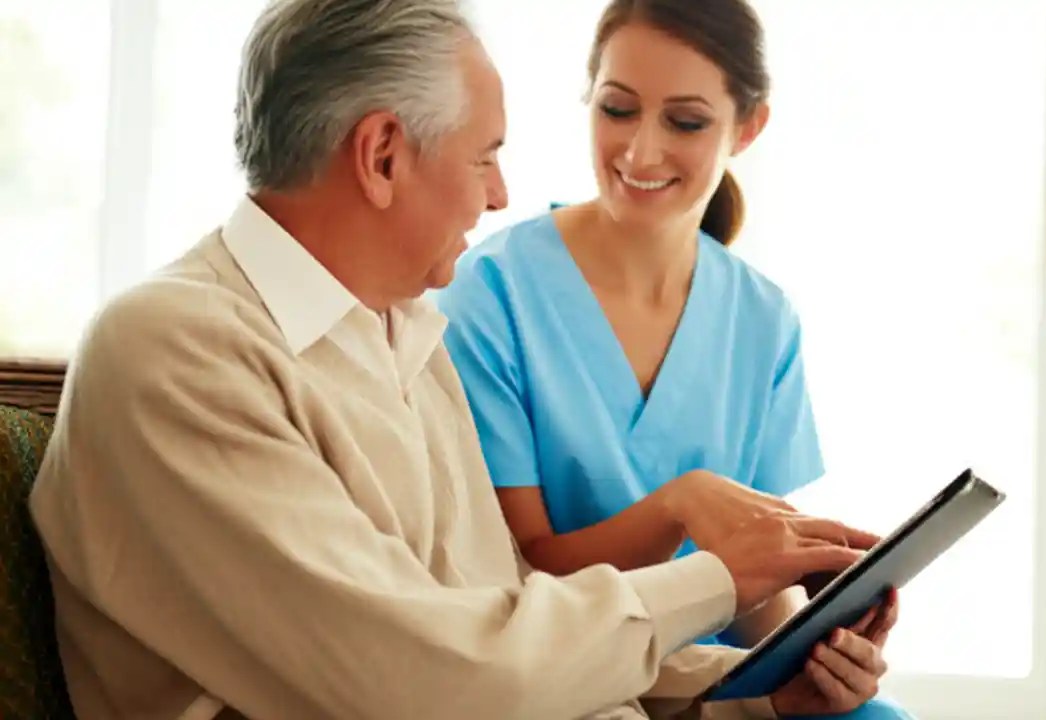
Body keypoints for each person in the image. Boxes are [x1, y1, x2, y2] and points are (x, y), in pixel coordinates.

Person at [30, 1, 898, 718]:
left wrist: (758, 695)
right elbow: (424, 682)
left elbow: (502, 629)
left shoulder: (404, 337)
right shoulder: (176, 351)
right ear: (381, 157)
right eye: (484, 156)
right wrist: (716, 581)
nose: (500, 195)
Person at [437, 1, 913, 717]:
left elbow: (760, 587)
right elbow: (522, 569)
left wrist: (820, 656)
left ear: (747, 128)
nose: (640, 152)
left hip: (724, 675)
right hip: (572, 671)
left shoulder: (762, 318)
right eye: (617, 109)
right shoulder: (491, 291)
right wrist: (676, 507)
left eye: (685, 122)